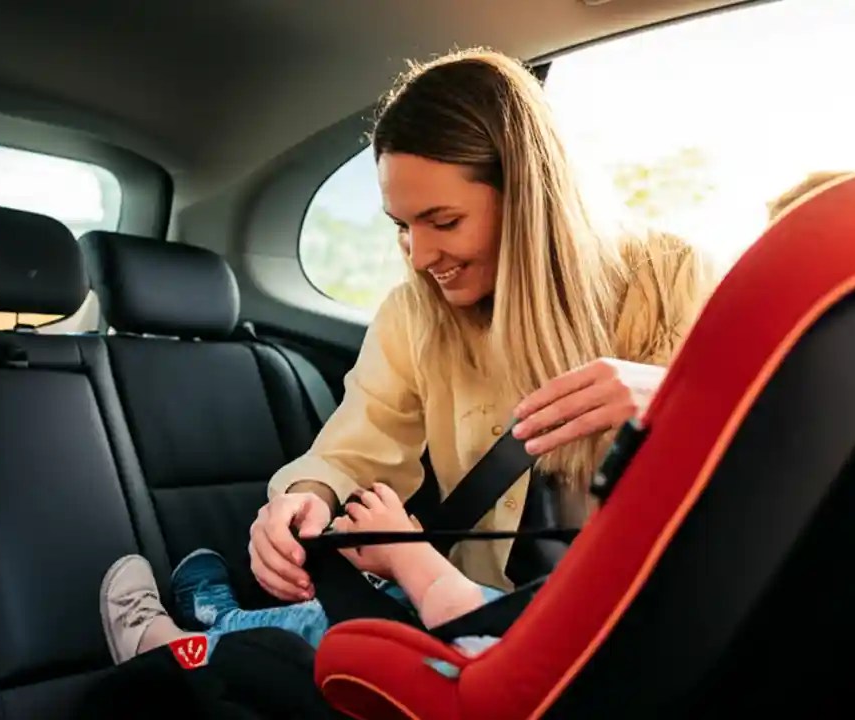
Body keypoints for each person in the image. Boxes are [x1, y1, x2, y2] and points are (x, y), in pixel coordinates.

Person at [90, 46, 715, 716]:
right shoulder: (415, 313)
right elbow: (355, 446)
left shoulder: (672, 279)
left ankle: (184, 637)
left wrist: (671, 398)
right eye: (402, 227)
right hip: (462, 630)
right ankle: (185, 641)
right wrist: (305, 496)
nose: (419, 256)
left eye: (443, 222)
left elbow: (757, 478)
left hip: (625, 636)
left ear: (531, 199)